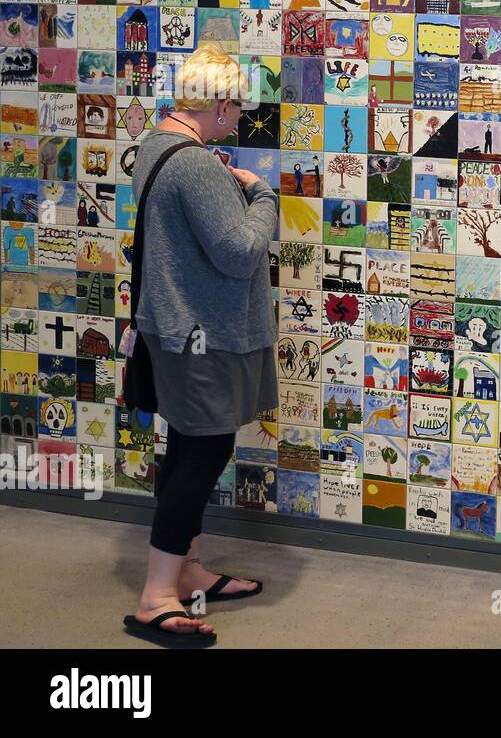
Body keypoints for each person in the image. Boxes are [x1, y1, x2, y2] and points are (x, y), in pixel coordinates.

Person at [123, 45, 280, 647]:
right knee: (202, 456)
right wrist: (262, 196)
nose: (240, 117)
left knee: (188, 446)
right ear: (215, 103)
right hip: (199, 335)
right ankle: (157, 597)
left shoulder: (157, 145)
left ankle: (186, 570)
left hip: (176, 328)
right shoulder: (194, 164)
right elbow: (239, 252)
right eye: (236, 105)